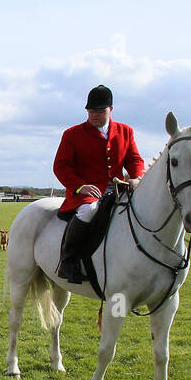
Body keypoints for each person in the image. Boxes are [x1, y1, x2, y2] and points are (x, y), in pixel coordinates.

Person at [52, 84, 145, 282]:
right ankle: (68, 260)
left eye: (100, 111)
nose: (94, 115)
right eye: (91, 110)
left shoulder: (125, 131)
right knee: (89, 210)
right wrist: (80, 186)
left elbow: (135, 159)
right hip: (86, 191)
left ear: (110, 110)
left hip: (119, 188)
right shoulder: (72, 134)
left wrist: (135, 177)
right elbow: (61, 167)